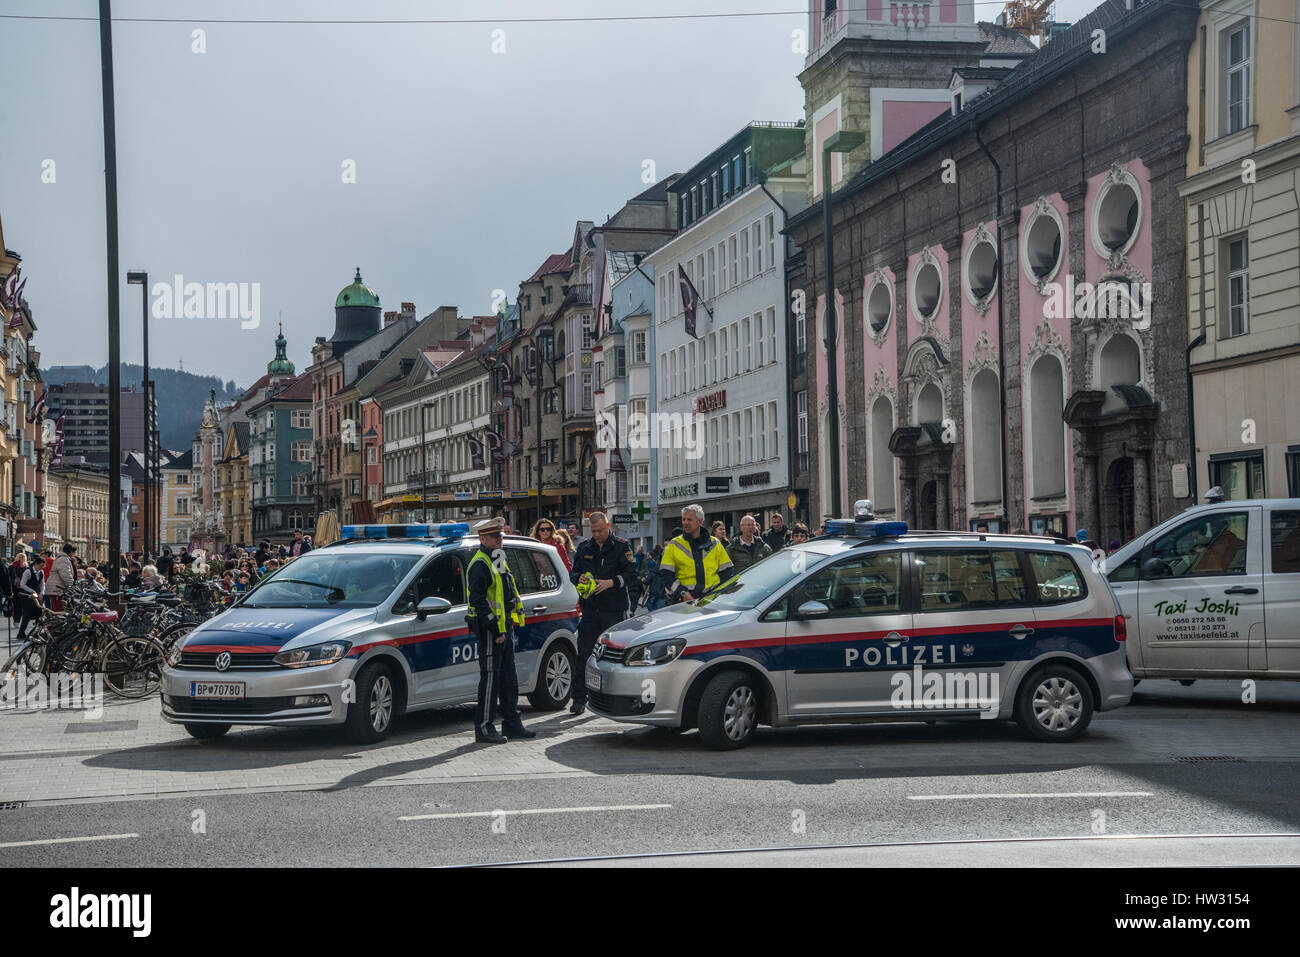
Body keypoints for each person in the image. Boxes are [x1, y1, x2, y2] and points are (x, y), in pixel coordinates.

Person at [465, 517, 533, 744]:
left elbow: (505, 592)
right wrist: (496, 629)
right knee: (491, 681)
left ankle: (512, 723)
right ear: (483, 538)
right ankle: (484, 728)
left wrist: (508, 626)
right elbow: (478, 602)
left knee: (508, 680)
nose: (499, 540)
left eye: (501, 536)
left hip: (505, 629)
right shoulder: (480, 563)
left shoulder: (496, 559)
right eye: (495, 537)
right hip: (490, 632)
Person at [568, 511, 639, 714]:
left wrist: (611, 582)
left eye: (600, 530)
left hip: (613, 610)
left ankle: (613, 699)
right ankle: (579, 699)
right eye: (593, 531)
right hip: (591, 609)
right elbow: (573, 573)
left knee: (614, 657)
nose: (597, 534)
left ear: (608, 525)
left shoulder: (622, 546)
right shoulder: (584, 547)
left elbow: (632, 574)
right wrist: (579, 577)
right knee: (584, 655)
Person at [659, 505, 734, 604]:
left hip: (711, 600)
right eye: (683, 519)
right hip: (683, 601)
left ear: (700, 521)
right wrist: (682, 593)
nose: (685, 523)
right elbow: (666, 575)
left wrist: (716, 592)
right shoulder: (674, 544)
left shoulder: (715, 543)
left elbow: (727, 572)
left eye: (689, 520)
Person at [12, 552, 44, 642]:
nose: (42, 568)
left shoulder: (41, 572)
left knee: (39, 613)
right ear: (36, 564)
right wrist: (32, 591)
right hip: (26, 595)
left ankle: (37, 633)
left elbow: (42, 584)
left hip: (36, 595)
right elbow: (22, 585)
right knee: (27, 614)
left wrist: (42, 593)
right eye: (41, 566)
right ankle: (21, 633)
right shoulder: (28, 571)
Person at [46, 543, 77, 612]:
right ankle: (51, 623)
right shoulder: (63, 559)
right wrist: (73, 585)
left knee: (58, 609)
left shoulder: (63, 558)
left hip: (58, 588)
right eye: (74, 552)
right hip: (57, 589)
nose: (74, 554)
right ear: (71, 551)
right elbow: (65, 575)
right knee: (58, 610)